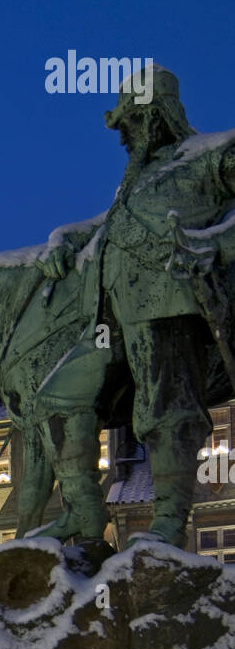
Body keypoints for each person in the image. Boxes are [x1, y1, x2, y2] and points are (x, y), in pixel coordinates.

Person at [34, 63, 235, 546]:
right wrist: (64, 238)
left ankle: (167, 523)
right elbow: (107, 227)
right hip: (111, 318)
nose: (124, 138)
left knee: (168, 409)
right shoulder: (137, 182)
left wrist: (218, 241)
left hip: (170, 306)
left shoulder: (210, 157)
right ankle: (84, 516)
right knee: (56, 398)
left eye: (128, 124)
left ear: (155, 116)